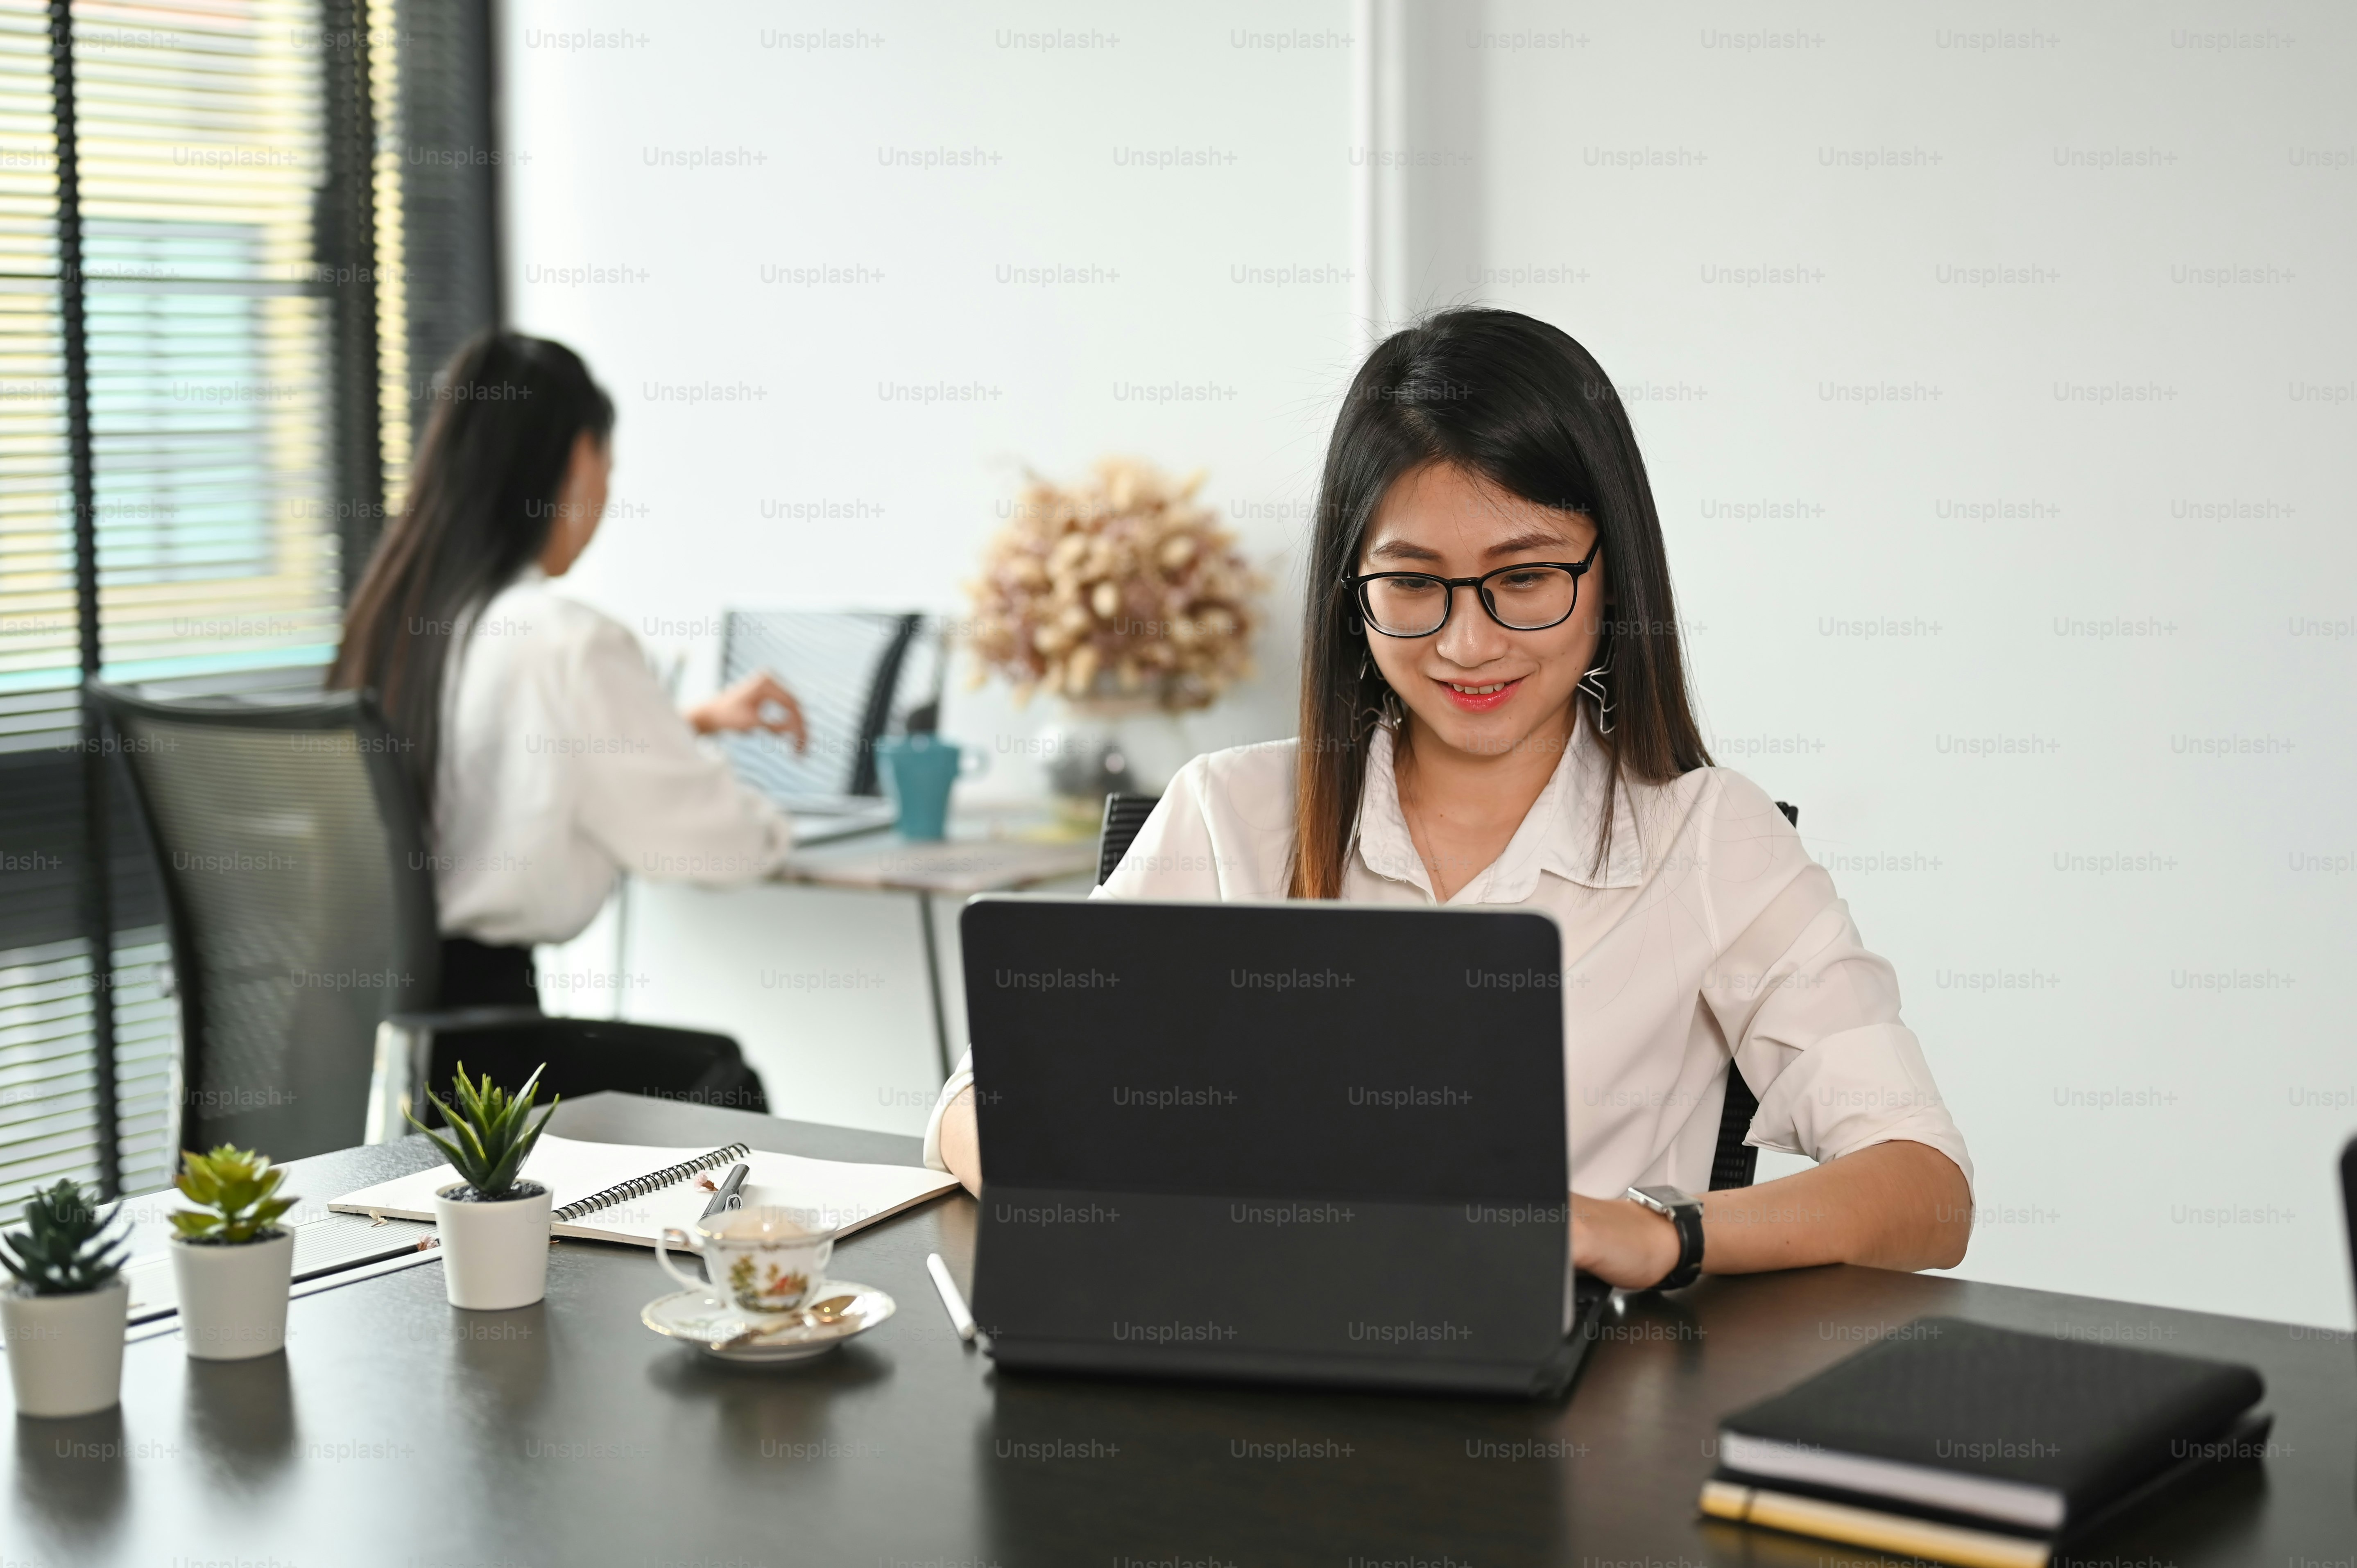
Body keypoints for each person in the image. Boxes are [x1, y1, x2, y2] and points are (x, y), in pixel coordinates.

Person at [927, 308, 1973, 1291]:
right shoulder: (1228, 808)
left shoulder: (1709, 837)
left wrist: (1658, 1231)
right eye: (1414, 584)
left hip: (1566, 1421)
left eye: (1524, 579)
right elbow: (973, 1110)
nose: (1467, 644)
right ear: (1352, 595)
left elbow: (1924, 1188)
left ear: (1612, 575)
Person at [331, 331, 808, 1008]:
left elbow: (494, 768)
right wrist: (776, 819)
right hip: (487, 1065)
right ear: (582, 458)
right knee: (725, 1082)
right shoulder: (569, 642)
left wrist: (684, 724)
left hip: (369, 1043)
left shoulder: (397, 625)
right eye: (610, 466)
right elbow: (721, 846)